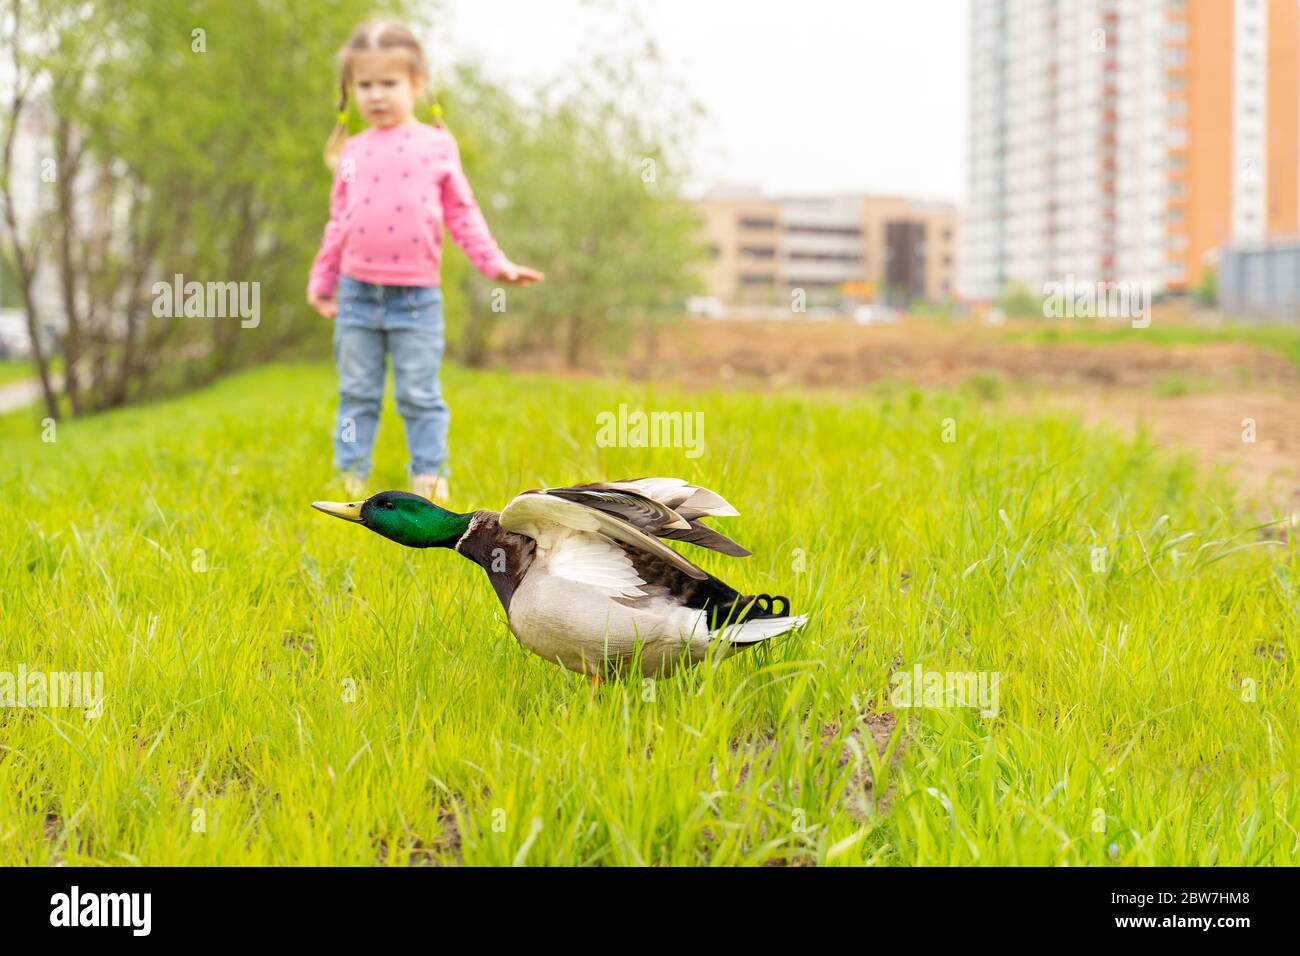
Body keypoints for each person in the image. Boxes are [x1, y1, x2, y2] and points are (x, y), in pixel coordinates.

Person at [306, 18, 543, 503]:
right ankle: (349, 476)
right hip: (356, 294)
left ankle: (429, 479)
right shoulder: (352, 150)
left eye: (388, 83)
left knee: (419, 395)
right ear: (350, 91)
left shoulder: (437, 146)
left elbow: (462, 212)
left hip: (416, 299)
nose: (376, 94)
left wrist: (495, 264)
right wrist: (322, 280)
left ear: (416, 84)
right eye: (364, 84)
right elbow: (338, 221)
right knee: (357, 394)